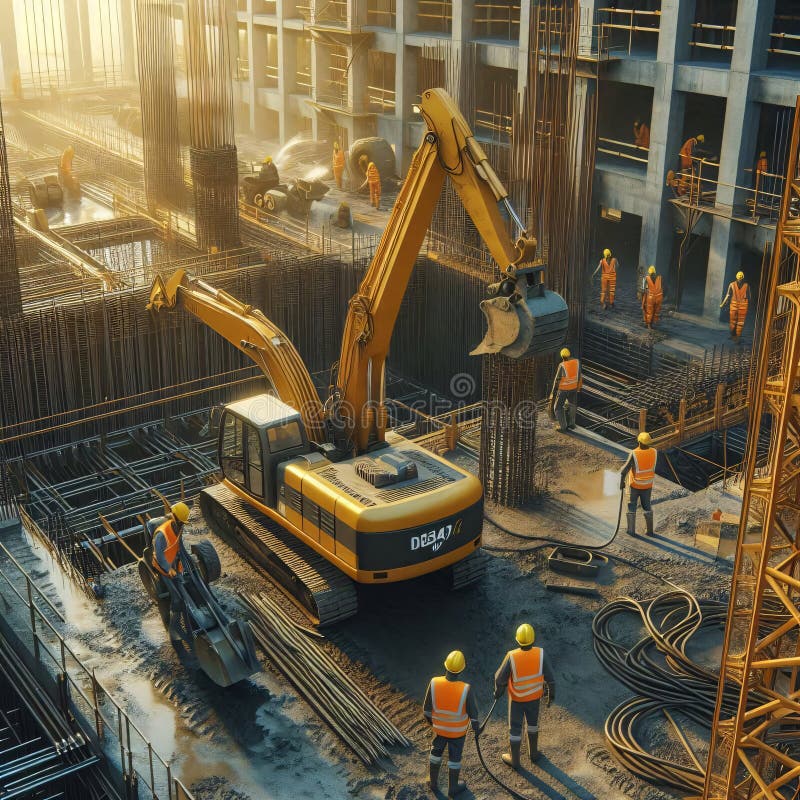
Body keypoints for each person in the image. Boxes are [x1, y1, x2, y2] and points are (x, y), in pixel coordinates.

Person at [493, 623, 556, 768]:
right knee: (532, 725)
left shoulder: (512, 656)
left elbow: (500, 678)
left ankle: (515, 761)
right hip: (534, 699)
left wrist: (498, 692)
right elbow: (550, 678)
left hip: (517, 700)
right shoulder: (541, 654)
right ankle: (533, 754)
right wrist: (551, 695)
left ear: (518, 640)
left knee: (515, 729)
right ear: (533, 639)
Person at [423, 650, 480, 798]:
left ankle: (433, 782)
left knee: (435, 752)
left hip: (439, 730)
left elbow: (426, 711)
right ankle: (453, 788)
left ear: (446, 666)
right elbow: (474, 715)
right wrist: (476, 728)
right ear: (462, 669)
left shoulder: (434, 682)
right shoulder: (465, 688)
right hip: (457, 733)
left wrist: (434, 724)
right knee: (455, 758)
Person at [151, 501, 191, 642]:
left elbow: (177, 544)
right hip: (163, 567)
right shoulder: (162, 534)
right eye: (180, 521)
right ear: (173, 517)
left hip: (174, 563)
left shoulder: (178, 526)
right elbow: (160, 556)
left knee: (186, 588)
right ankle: (173, 625)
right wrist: (169, 569)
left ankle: (187, 615)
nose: (182, 525)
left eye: (183, 523)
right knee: (177, 597)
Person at [619, 432, 657, 536]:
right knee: (647, 506)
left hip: (635, 485)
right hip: (647, 485)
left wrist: (621, 482)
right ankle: (649, 531)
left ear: (639, 442)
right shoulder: (654, 452)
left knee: (632, 506)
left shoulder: (635, 453)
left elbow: (624, 470)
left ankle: (631, 531)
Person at [550, 347, 581, 432]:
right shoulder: (577, 362)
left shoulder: (562, 365)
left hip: (564, 389)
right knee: (572, 405)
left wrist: (553, 392)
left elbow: (557, 379)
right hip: (574, 387)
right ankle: (572, 424)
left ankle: (563, 426)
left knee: (558, 407)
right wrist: (578, 387)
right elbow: (579, 375)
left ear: (562, 357)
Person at [720, 270, 750, 340]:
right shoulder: (745, 285)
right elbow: (749, 297)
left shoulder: (733, 284)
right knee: (737, 322)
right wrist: (723, 304)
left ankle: (736, 337)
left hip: (738, 305)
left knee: (737, 322)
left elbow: (728, 295)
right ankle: (735, 336)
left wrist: (723, 304)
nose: (740, 280)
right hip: (740, 305)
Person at [641, 265, 663, 329]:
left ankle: (649, 324)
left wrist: (642, 301)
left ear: (649, 272)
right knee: (656, 311)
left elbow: (644, 290)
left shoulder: (646, 278)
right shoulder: (660, 278)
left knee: (649, 311)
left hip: (650, 297)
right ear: (655, 272)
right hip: (659, 297)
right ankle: (653, 323)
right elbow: (663, 288)